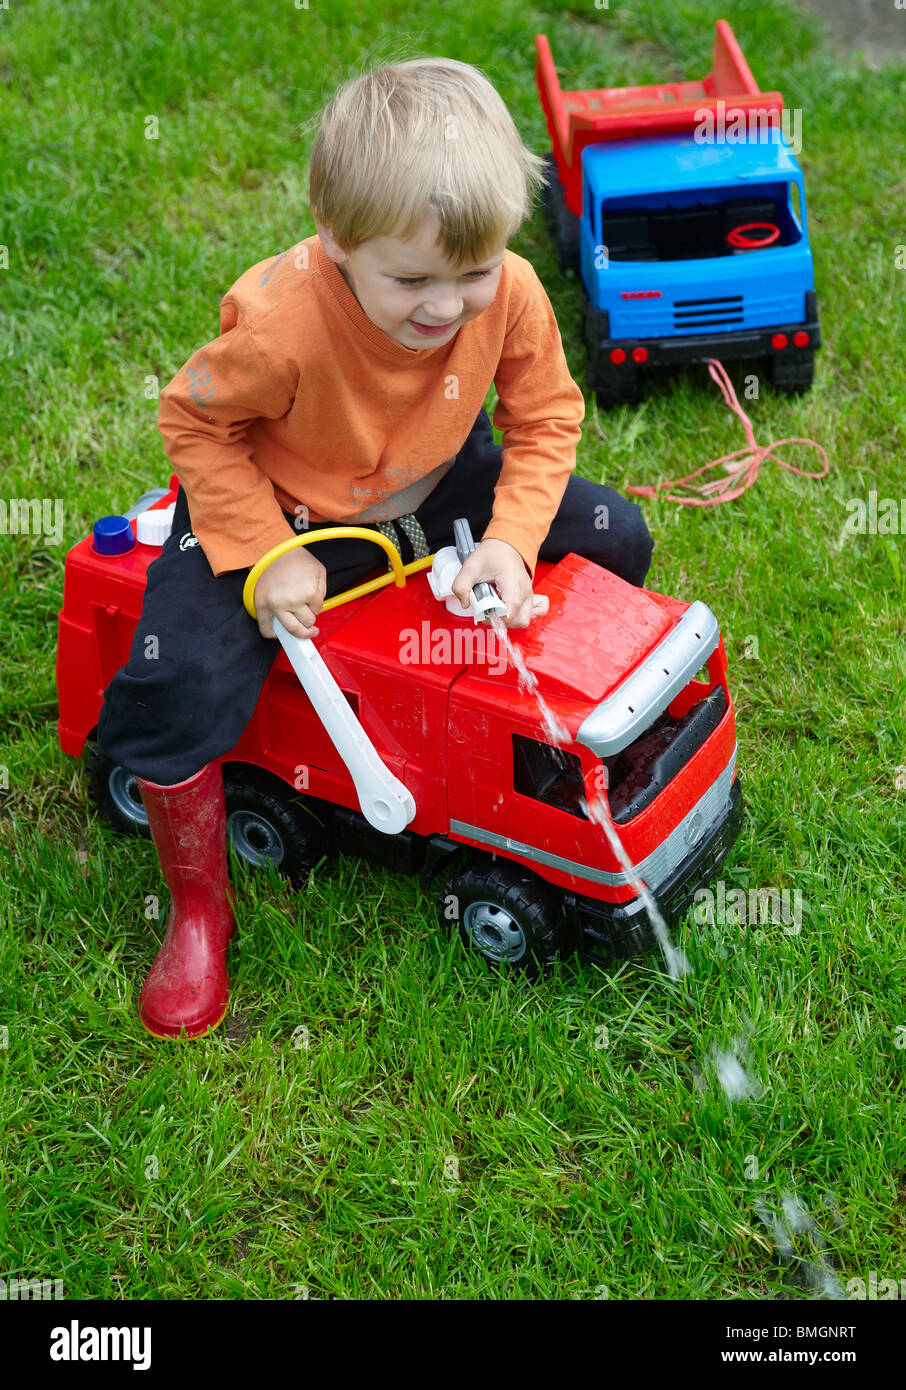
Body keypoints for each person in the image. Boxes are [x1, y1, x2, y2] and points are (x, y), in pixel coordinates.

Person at [97, 55, 654, 1040]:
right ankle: (196, 907)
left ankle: (538, 732)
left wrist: (514, 545)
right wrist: (266, 554)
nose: (447, 308)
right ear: (336, 239)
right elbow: (194, 426)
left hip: (442, 489)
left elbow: (546, 419)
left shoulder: (513, 293)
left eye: (473, 274)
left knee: (615, 530)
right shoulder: (281, 325)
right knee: (179, 675)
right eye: (412, 281)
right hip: (285, 511)